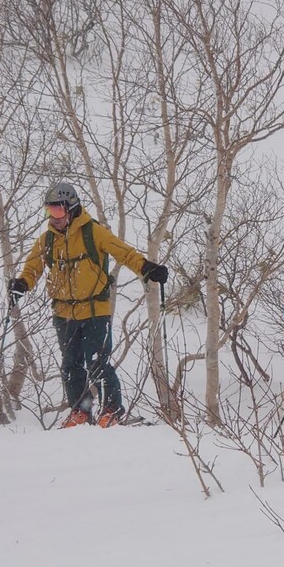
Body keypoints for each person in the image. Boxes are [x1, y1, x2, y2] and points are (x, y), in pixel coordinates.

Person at [9, 181, 169, 428]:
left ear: (71, 208)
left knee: (97, 362)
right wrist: (21, 284)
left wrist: (147, 268)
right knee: (70, 365)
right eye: (49, 211)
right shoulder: (47, 240)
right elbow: (33, 268)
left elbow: (123, 253)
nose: (54, 217)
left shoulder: (93, 232)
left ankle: (112, 409)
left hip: (95, 310)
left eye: (58, 211)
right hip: (63, 313)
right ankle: (80, 412)